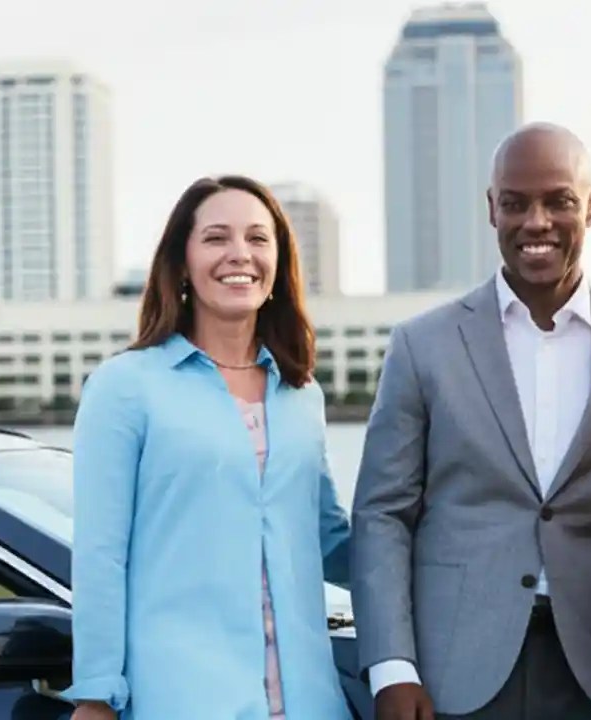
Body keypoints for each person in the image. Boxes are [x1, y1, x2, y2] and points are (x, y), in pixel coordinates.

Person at [351, 122, 591, 720]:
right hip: (449, 674)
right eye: (515, 203)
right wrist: (391, 667)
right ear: (491, 209)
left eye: (559, 201)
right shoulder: (422, 346)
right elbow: (383, 514)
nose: (536, 222)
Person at [62, 175, 353, 720]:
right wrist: (97, 693)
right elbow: (102, 555)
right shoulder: (125, 386)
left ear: (279, 263)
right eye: (217, 238)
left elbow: (331, 539)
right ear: (183, 263)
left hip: (309, 703)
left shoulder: (300, 393)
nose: (239, 254)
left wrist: (445, 568)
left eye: (258, 239)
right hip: (182, 699)